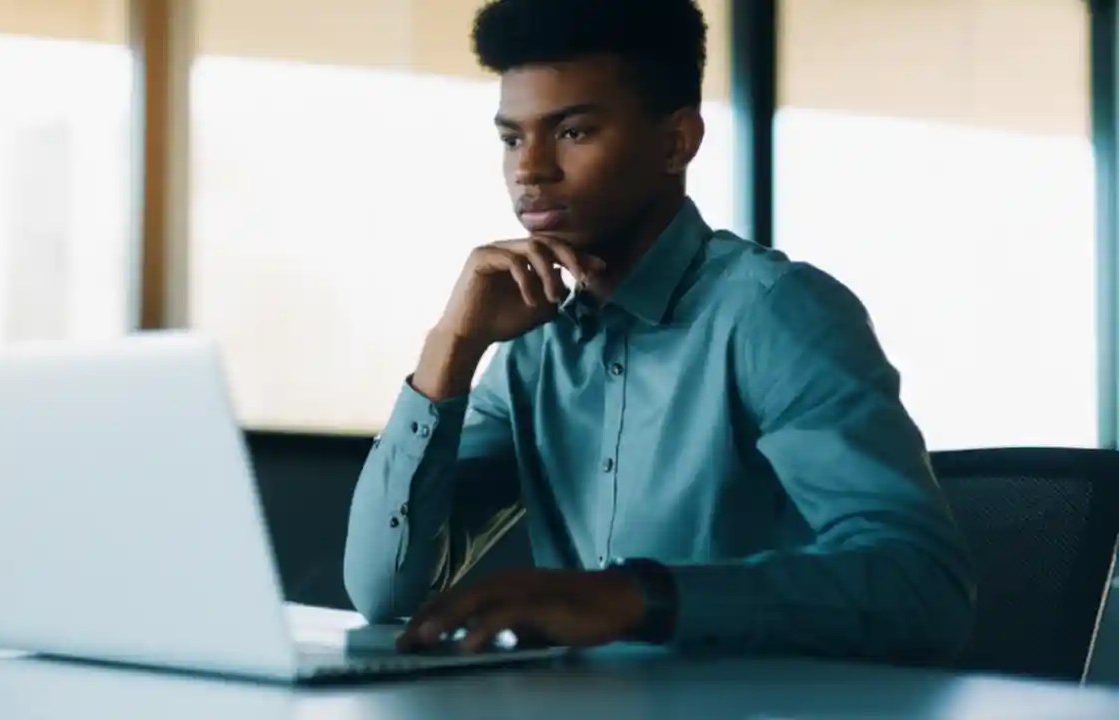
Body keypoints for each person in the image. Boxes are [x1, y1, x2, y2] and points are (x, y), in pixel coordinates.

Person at [343, 0, 975, 661]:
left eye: (573, 133)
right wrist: (453, 345)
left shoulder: (774, 315)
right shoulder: (535, 345)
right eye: (511, 138)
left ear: (677, 141)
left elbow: (923, 588)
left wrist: (634, 598)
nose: (529, 170)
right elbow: (385, 591)